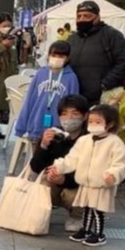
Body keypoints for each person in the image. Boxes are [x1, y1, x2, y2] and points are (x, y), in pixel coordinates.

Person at [49, 104, 125, 247]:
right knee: (87, 208)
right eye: (91, 121)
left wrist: (113, 174)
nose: (93, 125)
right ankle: (86, 230)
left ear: (110, 124)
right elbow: (73, 158)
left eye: (98, 122)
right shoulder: (84, 140)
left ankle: (99, 233)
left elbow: (120, 163)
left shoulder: (115, 143)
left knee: (98, 211)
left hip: (102, 184)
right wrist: (59, 166)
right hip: (86, 182)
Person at [29, 94, 89, 232]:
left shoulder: (88, 139)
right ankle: (43, 212)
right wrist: (43, 145)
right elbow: (36, 167)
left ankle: (76, 215)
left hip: (77, 184)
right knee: (44, 183)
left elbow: (88, 172)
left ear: (85, 116)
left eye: (75, 114)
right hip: (54, 182)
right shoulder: (54, 134)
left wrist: (64, 180)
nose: (69, 118)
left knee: (75, 193)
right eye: (64, 114)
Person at [14, 41, 80, 144]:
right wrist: (21, 127)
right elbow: (29, 100)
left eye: (61, 56)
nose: (57, 58)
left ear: (67, 58)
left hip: (59, 128)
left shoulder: (71, 78)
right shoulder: (41, 74)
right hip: (36, 123)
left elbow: (73, 105)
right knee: (37, 156)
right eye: (54, 55)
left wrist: (70, 130)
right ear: (48, 56)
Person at [67, 0, 125, 105]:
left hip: (102, 99)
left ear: (97, 17)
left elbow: (122, 62)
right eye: (79, 16)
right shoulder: (72, 39)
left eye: (87, 16)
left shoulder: (112, 35)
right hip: (75, 98)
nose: (82, 19)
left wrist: (105, 84)